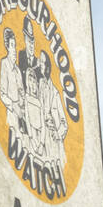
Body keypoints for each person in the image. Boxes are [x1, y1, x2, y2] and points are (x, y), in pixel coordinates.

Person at [37, 50, 68, 182]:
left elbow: (64, 123)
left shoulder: (55, 93)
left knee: (55, 173)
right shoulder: (39, 85)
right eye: (40, 62)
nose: (40, 65)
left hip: (54, 141)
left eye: (43, 63)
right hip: (42, 137)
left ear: (48, 67)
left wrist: (58, 134)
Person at [0, 28, 26, 136]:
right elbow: (2, 94)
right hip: (12, 115)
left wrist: (23, 105)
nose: (14, 49)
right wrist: (14, 106)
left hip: (22, 116)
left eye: (15, 46)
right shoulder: (4, 64)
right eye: (12, 46)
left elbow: (22, 91)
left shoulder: (18, 70)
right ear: (7, 47)